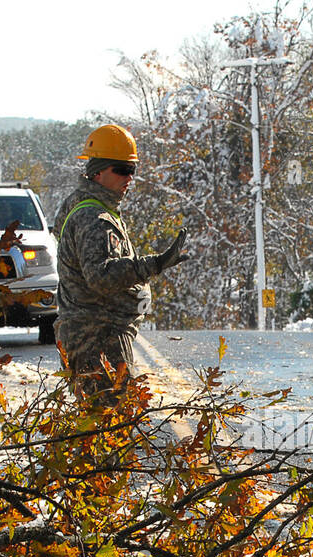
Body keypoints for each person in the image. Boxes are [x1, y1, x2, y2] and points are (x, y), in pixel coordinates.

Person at [53, 123, 188, 389]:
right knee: (113, 421)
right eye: (123, 170)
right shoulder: (94, 217)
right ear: (98, 171)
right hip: (98, 338)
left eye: (133, 170)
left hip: (90, 336)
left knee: (102, 423)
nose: (130, 178)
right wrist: (153, 264)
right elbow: (100, 277)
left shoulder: (83, 204)